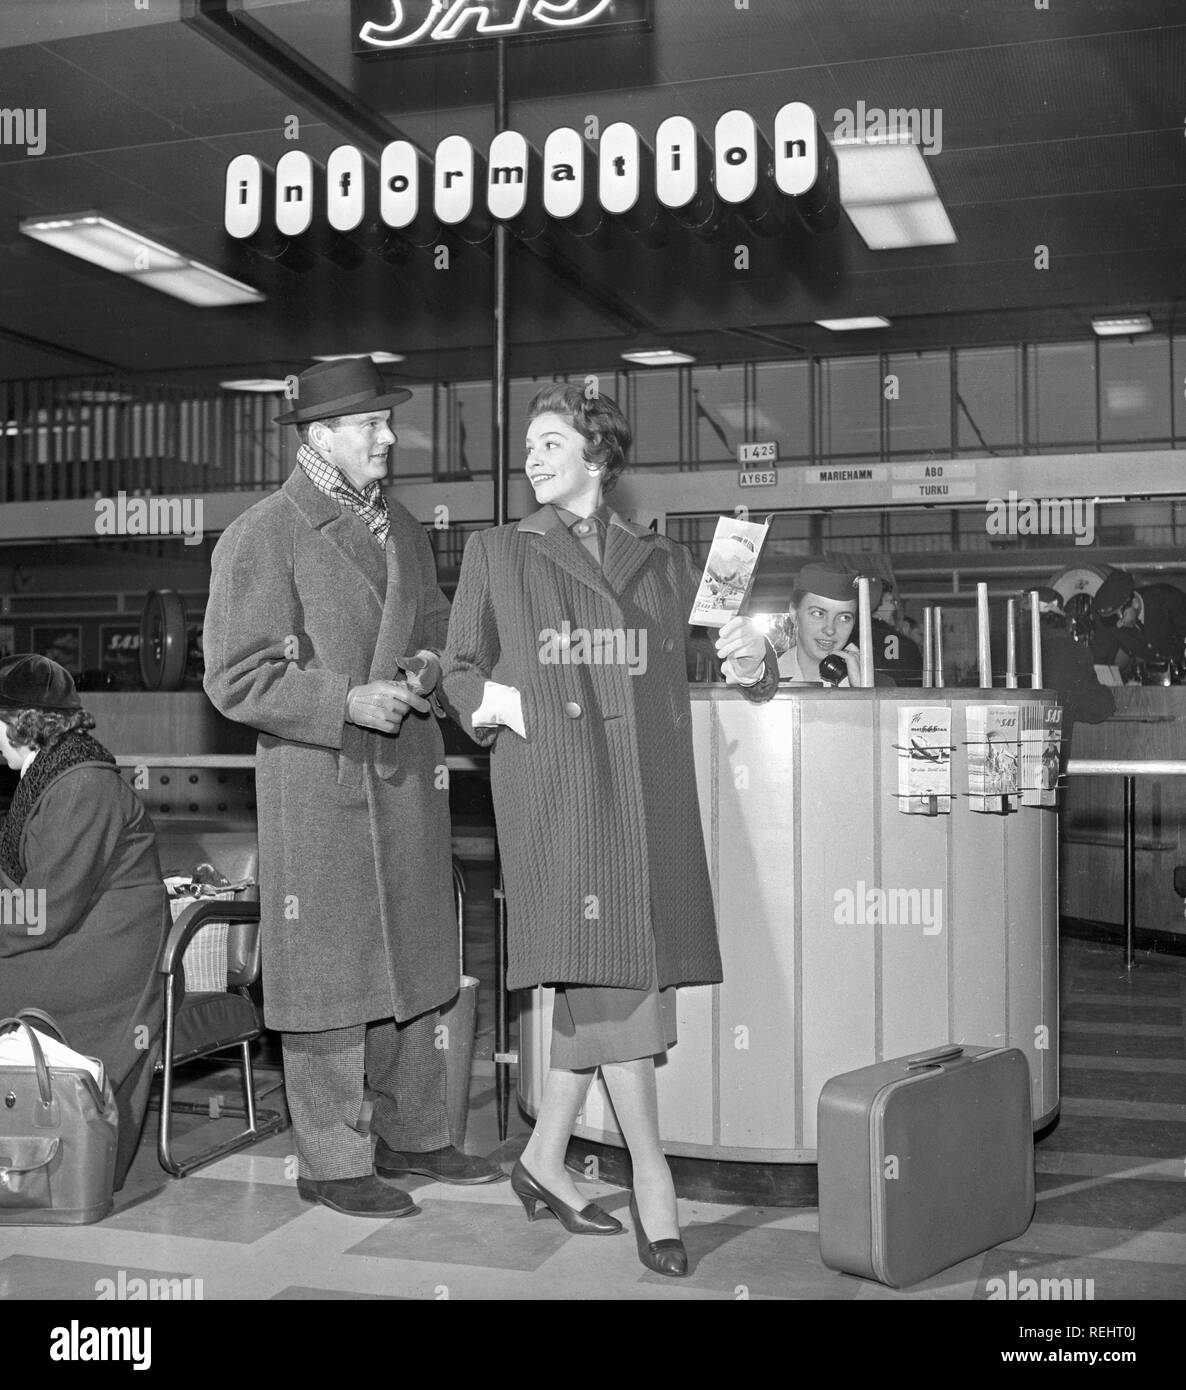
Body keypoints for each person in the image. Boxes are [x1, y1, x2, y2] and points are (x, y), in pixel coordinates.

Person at [440, 383, 772, 1276]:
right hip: (560, 794)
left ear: (598, 454)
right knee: (620, 983)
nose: (532, 459)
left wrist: (754, 660)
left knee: (609, 980)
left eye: (551, 443)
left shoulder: (661, 562)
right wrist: (493, 704)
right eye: (529, 447)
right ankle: (654, 1186)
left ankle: (544, 1159)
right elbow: (456, 663)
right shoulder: (498, 552)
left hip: (646, 799)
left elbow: (723, 652)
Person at [202, 357, 502, 1219]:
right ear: (319, 435)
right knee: (331, 975)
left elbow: (441, 626)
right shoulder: (263, 533)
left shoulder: (401, 528)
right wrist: (345, 700)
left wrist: (429, 666)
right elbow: (234, 677)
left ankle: (415, 1131)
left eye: (385, 422)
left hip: (406, 778)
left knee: (413, 963)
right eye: (369, 424)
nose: (386, 437)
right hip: (318, 784)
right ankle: (331, 1160)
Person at [0, 655, 166, 1191]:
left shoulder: (80, 785)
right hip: (84, 935)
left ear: (19, 722)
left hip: (104, 955)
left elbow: (44, 909)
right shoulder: (57, 774)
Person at [1022, 589, 1114, 774]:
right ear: (1058, 611)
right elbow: (1097, 708)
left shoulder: (1004, 646)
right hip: (1044, 769)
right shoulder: (1071, 651)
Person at [764, 559, 890, 686]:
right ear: (794, 613)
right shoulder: (759, 682)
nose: (830, 630)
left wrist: (864, 694)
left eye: (844, 617)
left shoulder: (879, 686)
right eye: (818, 614)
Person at [1089, 569, 1186, 676]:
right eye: (1111, 621)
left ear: (1134, 603)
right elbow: (1101, 661)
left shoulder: (1169, 599)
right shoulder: (1108, 622)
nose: (1118, 625)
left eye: (1120, 617)